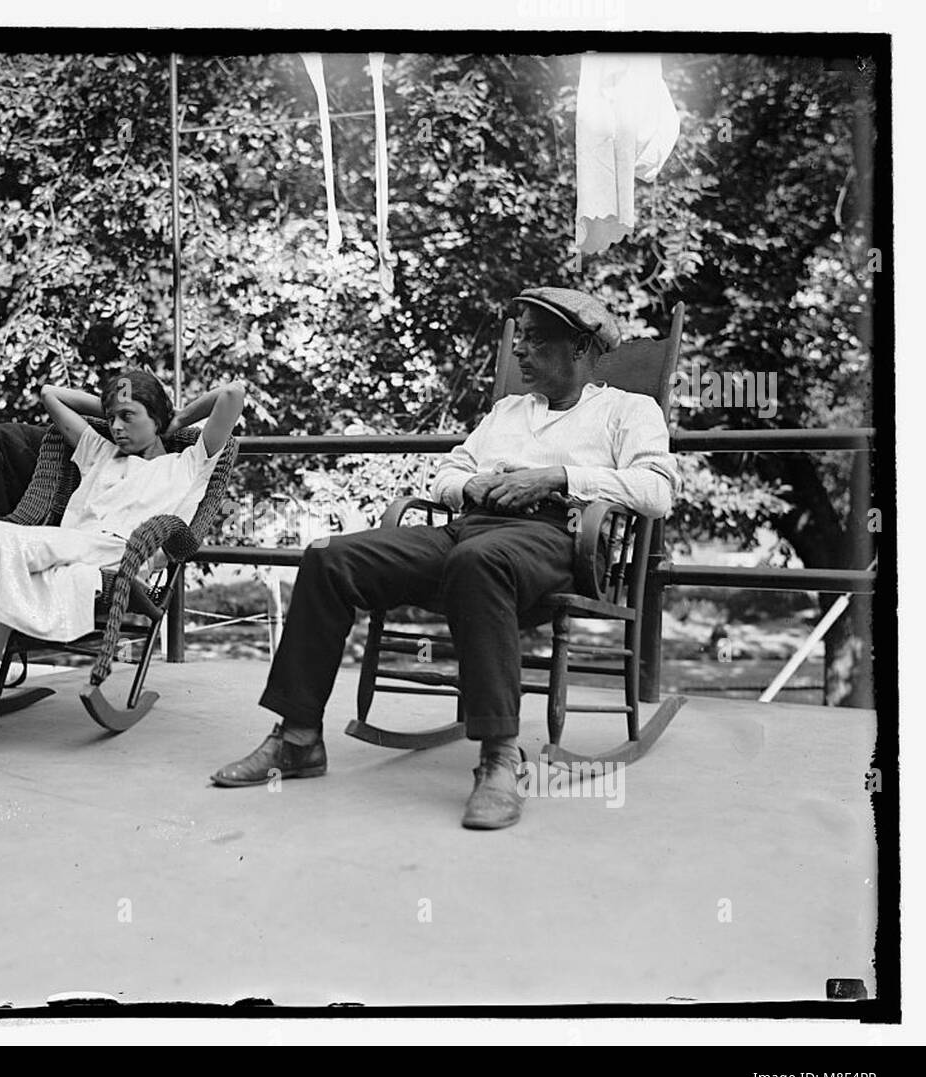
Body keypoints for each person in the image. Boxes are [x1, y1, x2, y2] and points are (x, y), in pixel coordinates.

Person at [210, 287, 678, 830]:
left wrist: (556, 477)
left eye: (535, 339)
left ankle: (501, 758)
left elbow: (656, 490)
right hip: (469, 529)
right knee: (328, 557)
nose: (519, 350)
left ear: (579, 348)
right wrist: (476, 485)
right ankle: (297, 739)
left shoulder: (627, 410)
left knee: (479, 562)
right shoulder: (507, 411)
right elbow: (447, 475)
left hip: (558, 538)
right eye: (518, 336)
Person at [0, 369, 246, 747]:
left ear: (157, 419)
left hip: (116, 554)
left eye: (128, 417)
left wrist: (175, 418)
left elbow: (232, 393)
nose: (116, 427)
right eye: (111, 417)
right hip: (64, 544)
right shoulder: (100, 452)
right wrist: (117, 401)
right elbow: (50, 394)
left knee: (5, 546)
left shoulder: (191, 463)